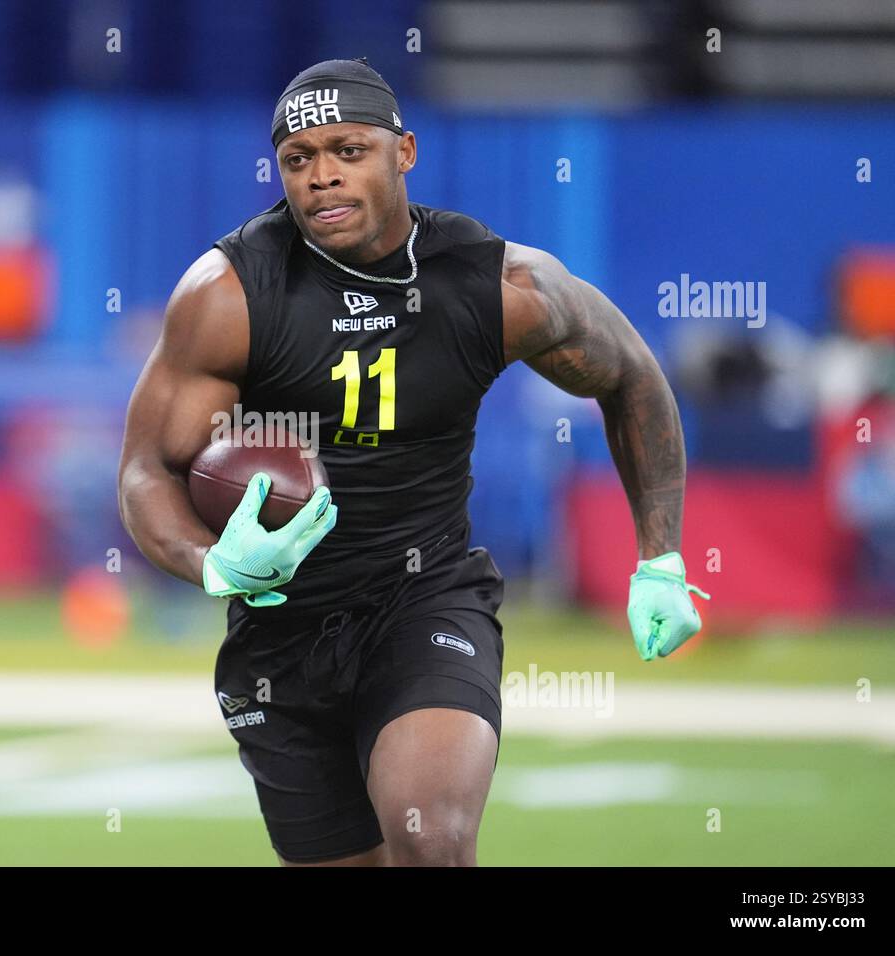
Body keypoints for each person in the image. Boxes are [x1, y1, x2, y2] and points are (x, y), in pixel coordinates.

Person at [118, 57, 710, 866]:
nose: (322, 176)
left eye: (347, 150)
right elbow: (149, 468)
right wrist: (213, 563)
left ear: (403, 152)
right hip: (280, 636)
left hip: (424, 600)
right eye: (299, 160)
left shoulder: (496, 284)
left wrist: (661, 556)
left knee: (432, 838)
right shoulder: (230, 293)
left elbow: (630, 374)